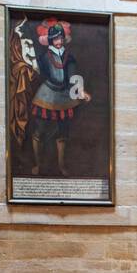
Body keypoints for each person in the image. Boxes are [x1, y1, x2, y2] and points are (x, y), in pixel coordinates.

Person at [29, 19, 90, 176]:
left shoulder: (69, 57)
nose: (59, 41)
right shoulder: (43, 57)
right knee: (40, 131)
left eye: (61, 38)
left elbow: (73, 76)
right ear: (50, 40)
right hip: (46, 95)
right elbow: (36, 74)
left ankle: (61, 166)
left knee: (63, 132)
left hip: (64, 96)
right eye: (55, 38)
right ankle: (37, 164)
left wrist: (81, 92)